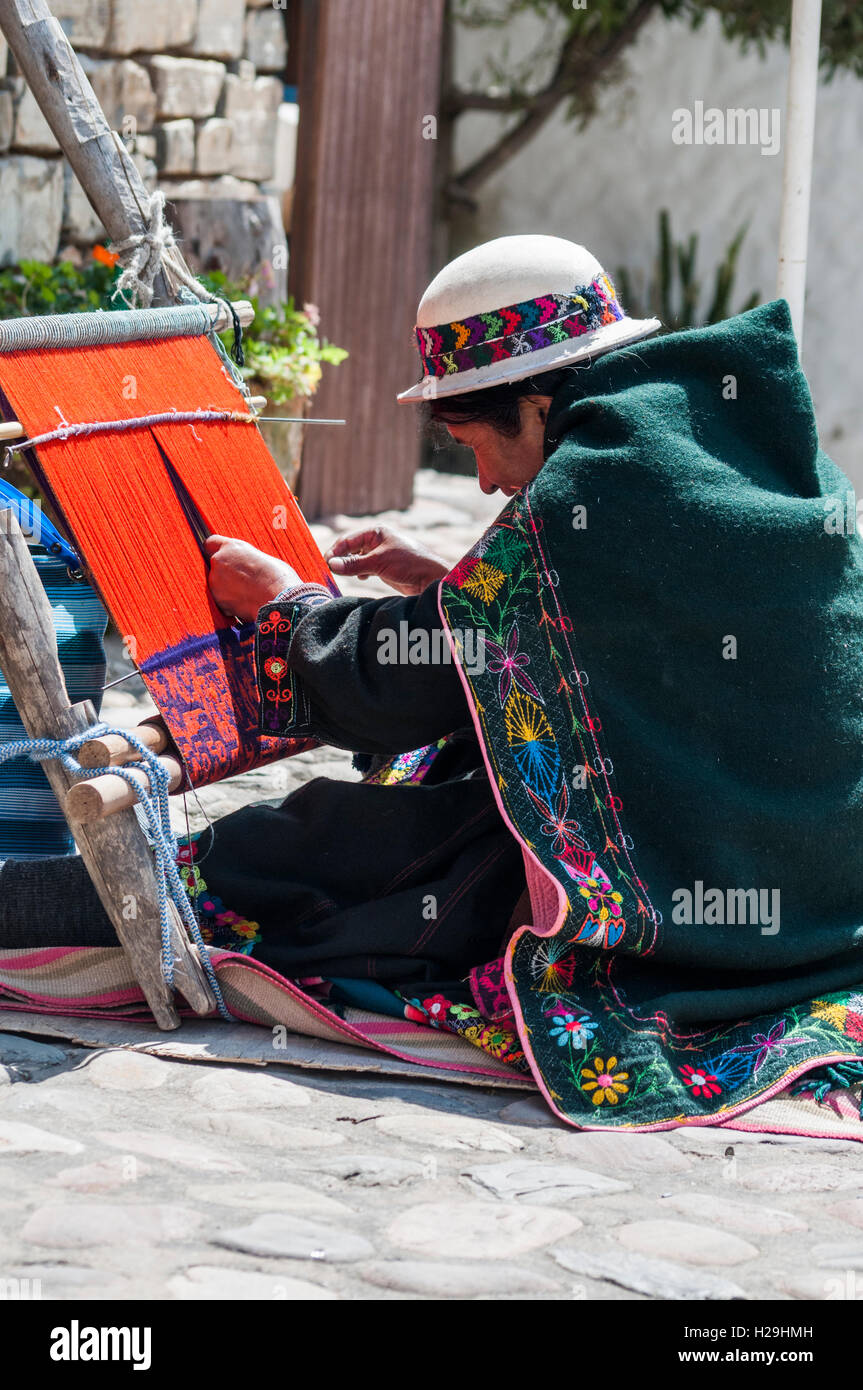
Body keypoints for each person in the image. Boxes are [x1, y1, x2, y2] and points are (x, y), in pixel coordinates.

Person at [3, 233, 863, 1130]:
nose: (487, 483)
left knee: (303, 853)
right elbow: (605, 629)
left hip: (690, 891)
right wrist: (446, 586)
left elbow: (398, 687)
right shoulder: (703, 432)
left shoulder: (608, 486)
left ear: (534, 402)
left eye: (473, 445)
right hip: (808, 873)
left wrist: (290, 603)